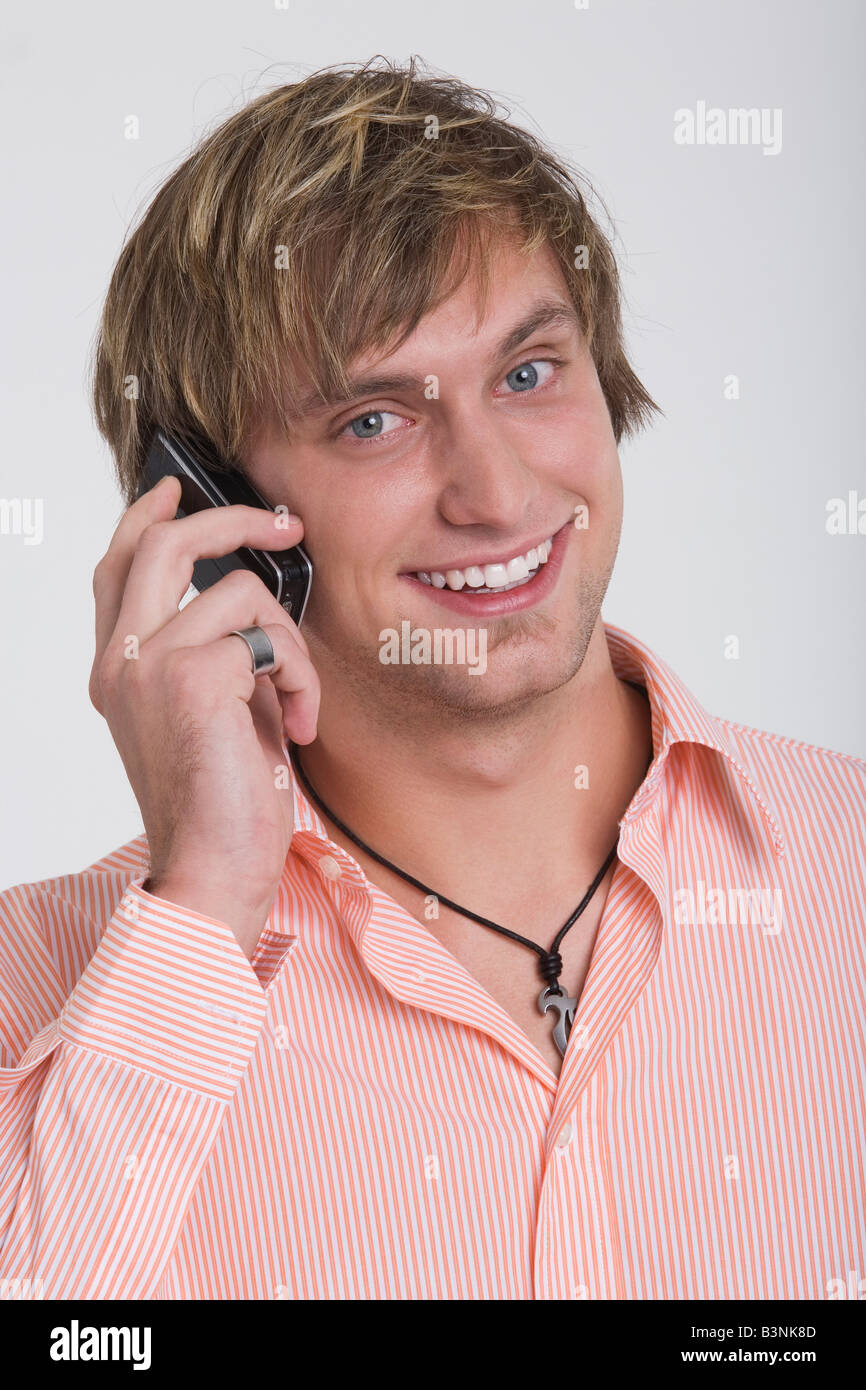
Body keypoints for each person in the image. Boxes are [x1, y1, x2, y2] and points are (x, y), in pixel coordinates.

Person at [1, 57, 863, 1301]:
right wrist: (196, 915)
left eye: (527, 373)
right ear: (209, 509)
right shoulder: (46, 987)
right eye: (373, 420)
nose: (498, 494)